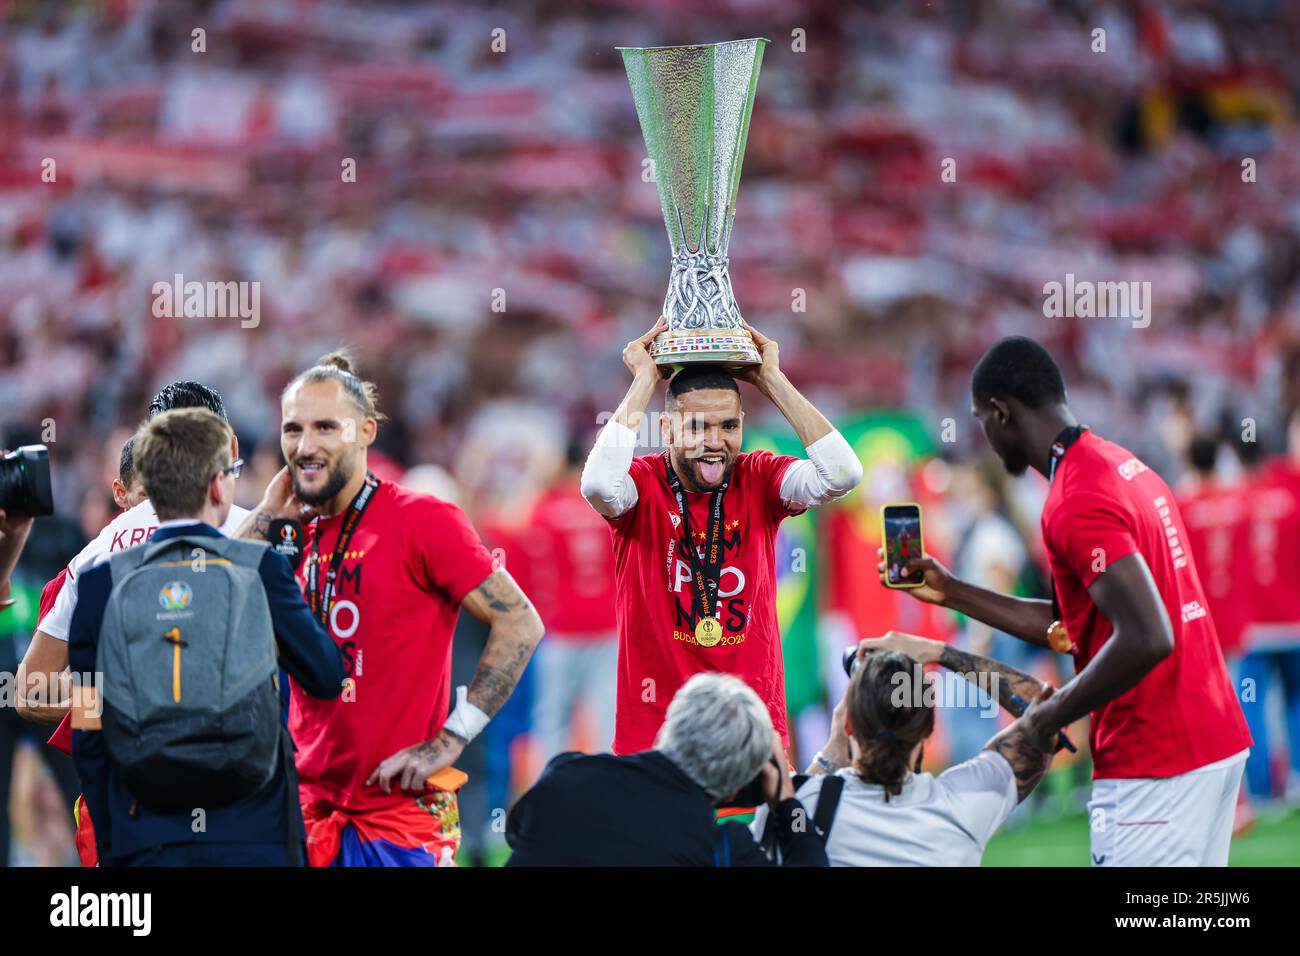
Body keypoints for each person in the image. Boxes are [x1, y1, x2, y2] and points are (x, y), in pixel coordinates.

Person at [885, 336, 1252, 866]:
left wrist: (1046, 715)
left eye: (980, 421)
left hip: (1156, 756)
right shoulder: (1120, 465)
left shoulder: (1076, 497)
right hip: (1211, 740)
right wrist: (951, 591)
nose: (983, 438)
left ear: (1001, 413)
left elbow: (1148, 636)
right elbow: (1070, 625)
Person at [237, 350, 544, 866]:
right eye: (293, 429)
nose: (305, 446)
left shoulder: (423, 520)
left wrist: (452, 737)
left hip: (402, 820)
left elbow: (521, 621)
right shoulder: (286, 532)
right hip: (307, 812)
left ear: (365, 433)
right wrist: (267, 512)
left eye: (326, 428)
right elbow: (217, 602)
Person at [67, 409, 346, 865]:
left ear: (150, 489)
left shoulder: (99, 587)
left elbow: (87, 731)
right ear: (219, 485)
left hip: (146, 839)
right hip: (255, 837)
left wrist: (117, 842)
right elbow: (327, 676)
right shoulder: (261, 570)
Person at [581, 318, 863, 756]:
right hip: (657, 736)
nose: (715, 442)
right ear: (668, 429)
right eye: (697, 428)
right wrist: (644, 380)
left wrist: (772, 379)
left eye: (729, 427)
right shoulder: (642, 484)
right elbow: (597, 485)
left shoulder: (760, 477)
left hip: (751, 734)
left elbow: (844, 474)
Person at [16, 381, 250, 726]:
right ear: (231, 449)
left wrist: (109, 705)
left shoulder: (99, 551)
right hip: (232, 766)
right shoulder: (258, 536)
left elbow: (29, 691)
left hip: (128, 772)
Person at [755, 634, 1057, 866]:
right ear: (928, 728)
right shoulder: (964, 802)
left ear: (848, 724)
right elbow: (1048, 713)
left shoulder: (800, 805)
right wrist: (941, 653)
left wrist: (830, 755)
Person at [505, 672, 827, 866]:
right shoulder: (718, 847)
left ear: (668, 728)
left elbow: (515, 833)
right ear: (734, 788)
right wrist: (786, 801)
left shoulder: (566, 774)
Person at [522, 433, 620, 758]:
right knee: (607, 720)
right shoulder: (603, 506)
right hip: (607, 625)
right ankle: (609, 796)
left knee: (551, 722)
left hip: (562, 630)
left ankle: (548, 800)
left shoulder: (543, 508)